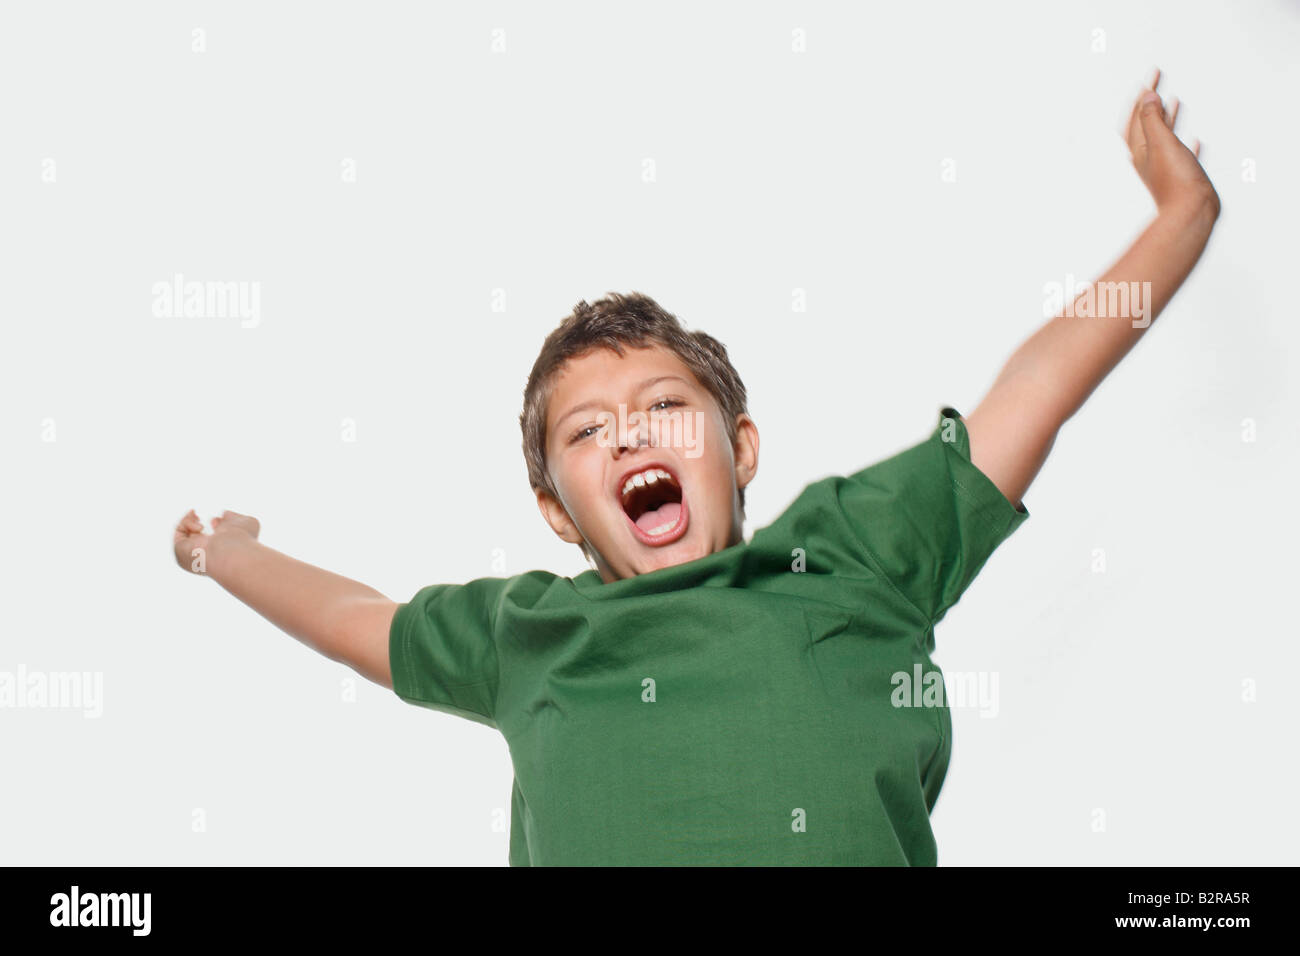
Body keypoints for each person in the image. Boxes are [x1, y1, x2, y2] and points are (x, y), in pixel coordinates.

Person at [173, 71, 1219, 865]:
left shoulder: (854, 552)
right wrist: (232, 553)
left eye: (665, 408)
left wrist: (1179, 221)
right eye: (586, 434)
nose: (627, 437)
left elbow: (1031, 395)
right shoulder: (525, 632)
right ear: (554, 509)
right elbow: (359, 618)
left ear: (740, 449)